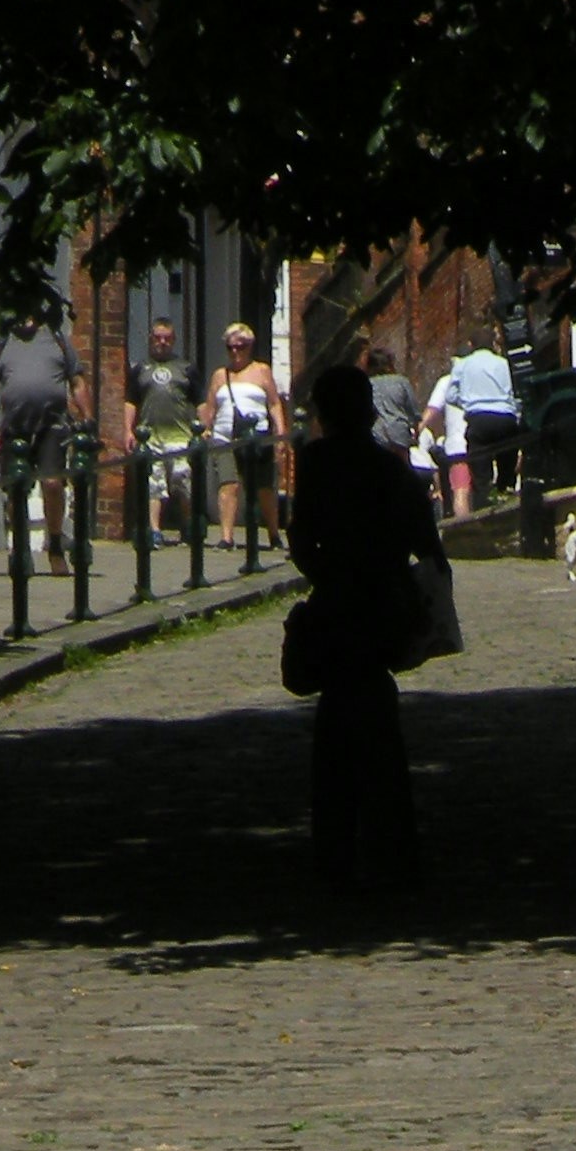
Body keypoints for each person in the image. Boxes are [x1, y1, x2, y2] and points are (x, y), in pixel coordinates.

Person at [288, 360, 442, 889]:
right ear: (369, 412)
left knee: (335, 736)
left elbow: (302, 536)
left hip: (337, 605)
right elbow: (426, 542)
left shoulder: (316, 463)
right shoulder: (387, 469)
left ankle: (334, 857)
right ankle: (392, 854)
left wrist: (325, 573)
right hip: (380, 607)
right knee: (381, 737)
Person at [0, 313, 84, 559]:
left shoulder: (56, 338)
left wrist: (88, 417)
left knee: (52, 483)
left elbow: (78, 382)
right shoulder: (3, 342)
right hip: (14, 426)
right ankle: (21, 550)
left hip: (51, 423)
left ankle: (55, 543)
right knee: (16, 489)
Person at [201, 320, 283, 550]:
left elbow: (274, 403)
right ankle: (227, 537)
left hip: (257, 437)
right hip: (225, 437)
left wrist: (281, 432)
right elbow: (210, 406)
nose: (235, 352)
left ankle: (274, 533)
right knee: (228, 485)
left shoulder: (262, 371)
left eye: (241, 346)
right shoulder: (220, 375)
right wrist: (205, 428)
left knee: (263, 487)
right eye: (230, 347)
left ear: (250, 346)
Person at [424, 320, 517, 513]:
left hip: (479, 419)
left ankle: (487, 504)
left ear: (471, 345)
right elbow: (510, 391)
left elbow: (451, 396)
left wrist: (467, 402)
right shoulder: (503, 363)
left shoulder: (463, 365)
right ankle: (507, 495)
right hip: (505, 417)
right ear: (492, 344)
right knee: (507, 460)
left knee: (481, 468)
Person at [123, 318, 199, 539]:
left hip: (181, 436)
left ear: (173, 340)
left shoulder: (186, 368)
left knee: (183, 482)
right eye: (158, 338)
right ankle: (154, 530)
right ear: (150, 340)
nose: (162, 342)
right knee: (154, 485)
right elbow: (131, 402)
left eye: (166, 338)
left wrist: (203, 428)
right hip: (150, 437)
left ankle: (189, 527)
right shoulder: (139, 369)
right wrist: (128, 430)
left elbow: (200, 401)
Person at [365, 347, 418, 459]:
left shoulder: (366, 384)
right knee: (402, 466)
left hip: (377, 434)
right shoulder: (401, 381)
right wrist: (416, 430)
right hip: (399, 432)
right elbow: (413, 410)